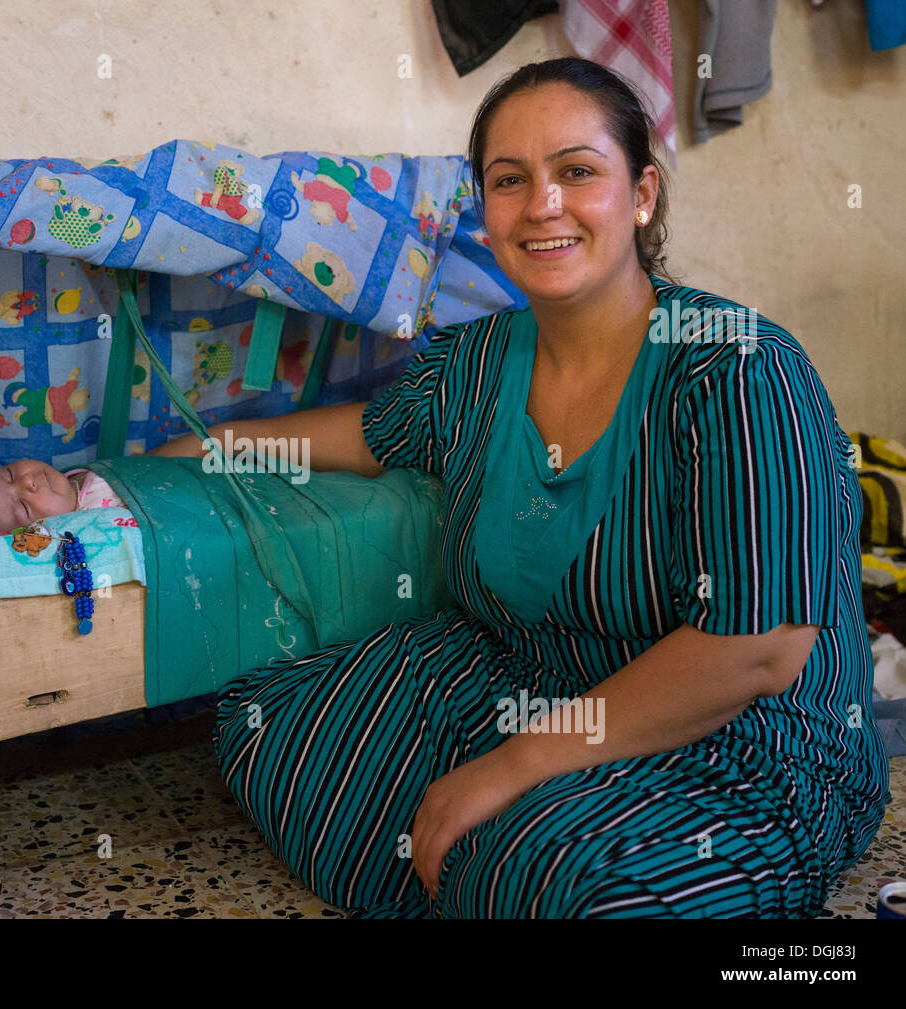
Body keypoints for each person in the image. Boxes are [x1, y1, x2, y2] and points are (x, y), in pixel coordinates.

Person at [148, 56, 888, 917]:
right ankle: (483, 859)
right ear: (488, 212)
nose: (542, 205)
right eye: (510, 181)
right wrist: (203, 449)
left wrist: (518, 763)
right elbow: (362, 436)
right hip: (533, 674)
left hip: (737, 734)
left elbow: (758, 650)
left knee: (543, 872)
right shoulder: (481, 359)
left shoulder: (735, 367)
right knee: (272, 724)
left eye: (578, 171)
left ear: (641, 193)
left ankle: (525, 856)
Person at [0, 459, 124, 539]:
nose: (26, 481)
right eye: (23, 507)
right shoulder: (97, 523)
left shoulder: (73, 479)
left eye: (8, 474)